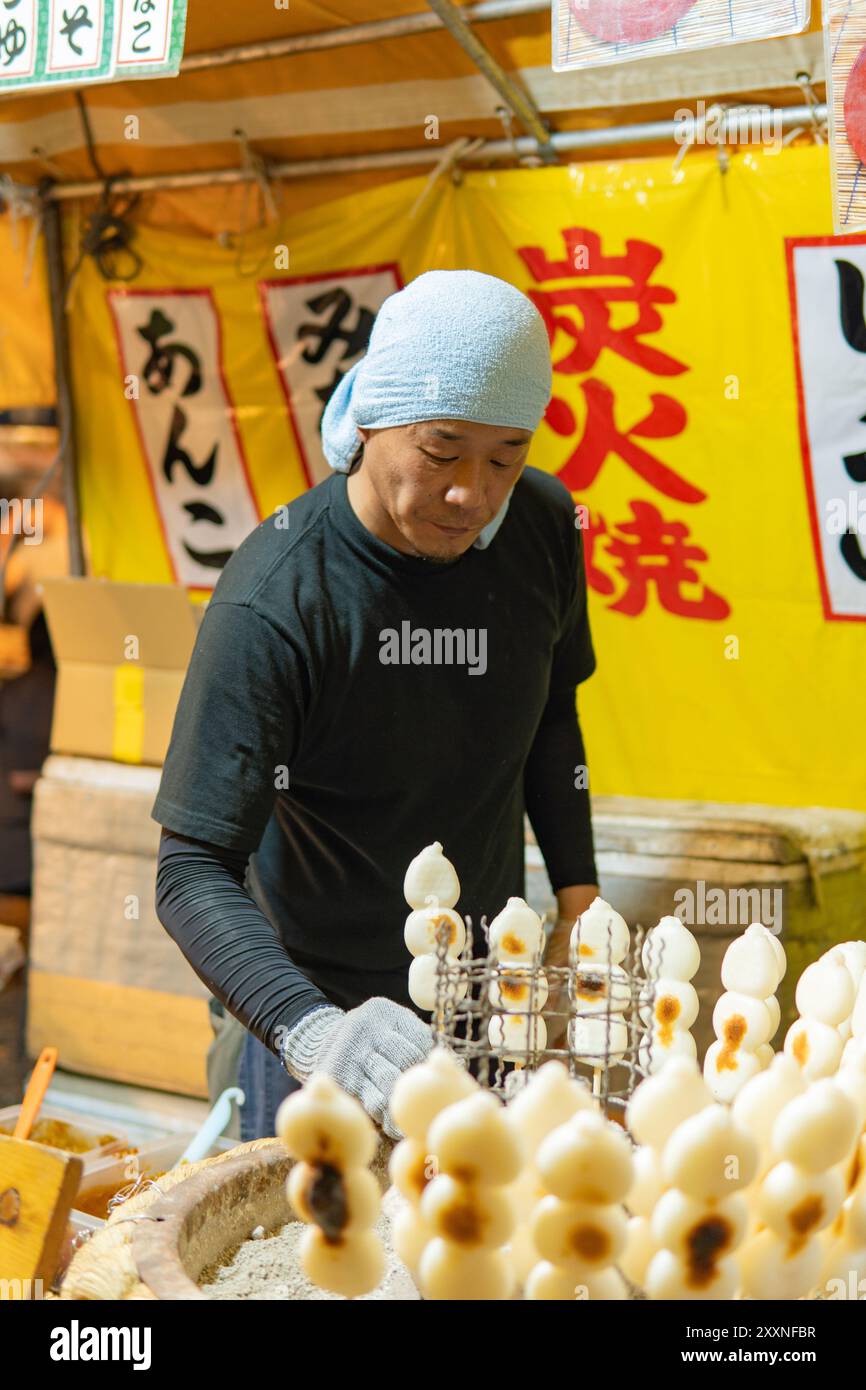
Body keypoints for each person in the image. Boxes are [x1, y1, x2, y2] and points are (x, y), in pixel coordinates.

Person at [153, 269, 598, 1141]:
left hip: (483, 1006)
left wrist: (579, 902)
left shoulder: (541, 526)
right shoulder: (276, 602)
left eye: (505, 456)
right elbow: (189, 869)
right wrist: (314, 1033)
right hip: (315, 1018)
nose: (472, 493)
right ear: (368, 421)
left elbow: (551, 718)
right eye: (440, 453)